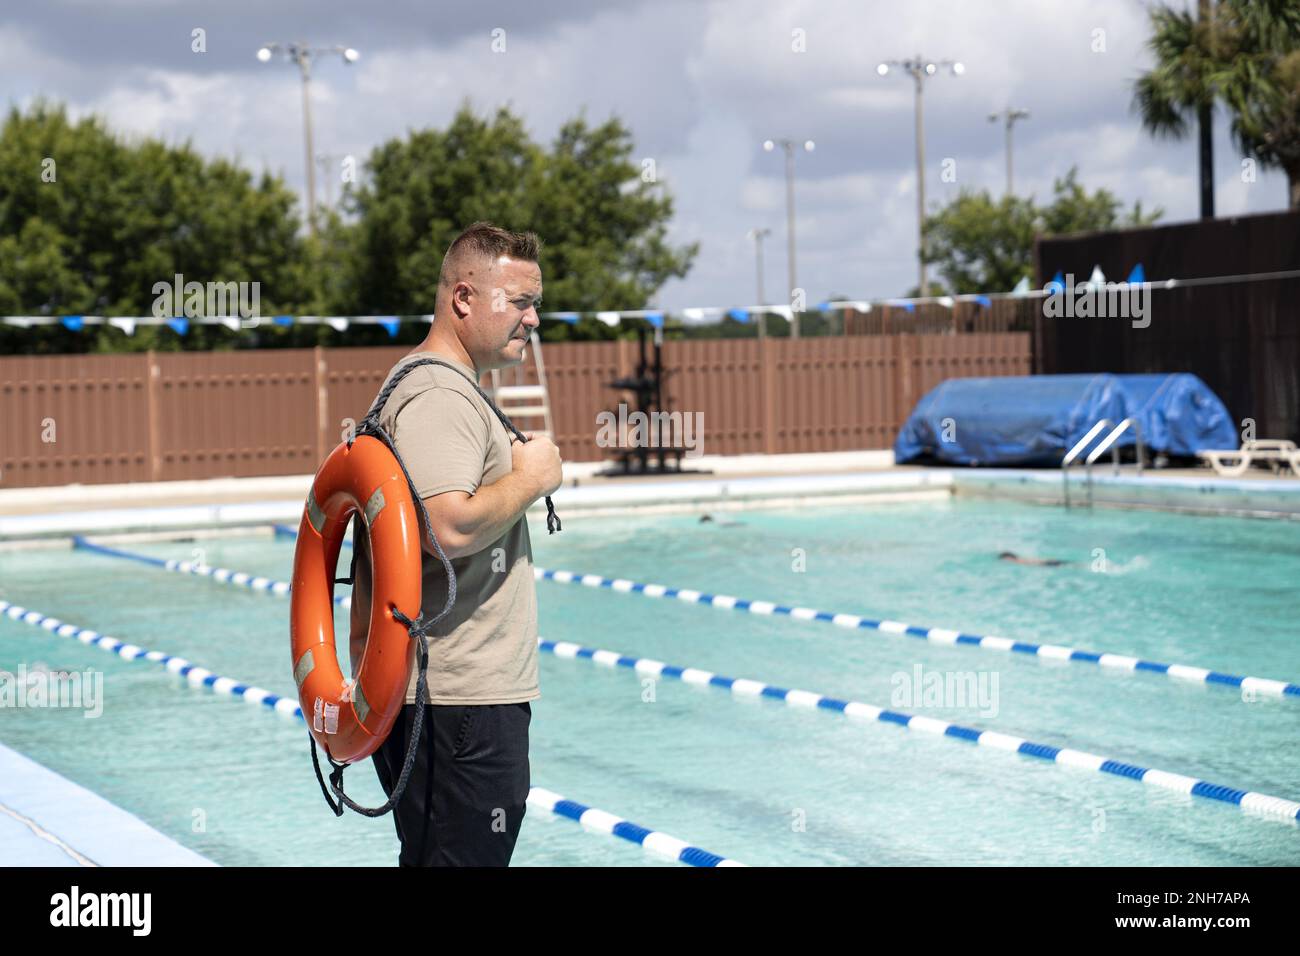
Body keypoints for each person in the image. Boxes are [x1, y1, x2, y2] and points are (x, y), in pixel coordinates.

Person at [347, 221, 563, 866]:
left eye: (536, 305)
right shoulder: (440, 394)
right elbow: (449, 526)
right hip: (460, 705)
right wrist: (532, 480)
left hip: (448, 703)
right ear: (464, 299)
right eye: (520, 303)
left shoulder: (434, 384)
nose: (532, 320)